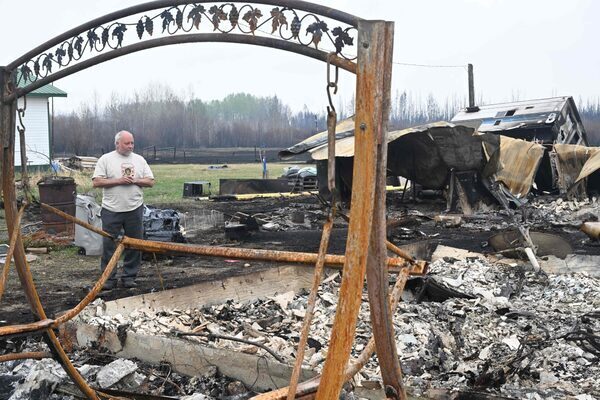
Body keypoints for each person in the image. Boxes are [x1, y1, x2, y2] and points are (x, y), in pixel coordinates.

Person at [92, 130, 154, 290]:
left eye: (132, 143)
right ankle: (109, 279)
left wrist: (136, 180)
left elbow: (150, 181)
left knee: (134, 244)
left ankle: (129, 277)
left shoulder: (139, 160)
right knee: (109, 245)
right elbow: (97, 182)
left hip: (134, 208)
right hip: (112, 209)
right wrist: (119, 181)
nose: (130, 146)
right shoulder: (106, 159)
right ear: (117, 143)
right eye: (127, 143)